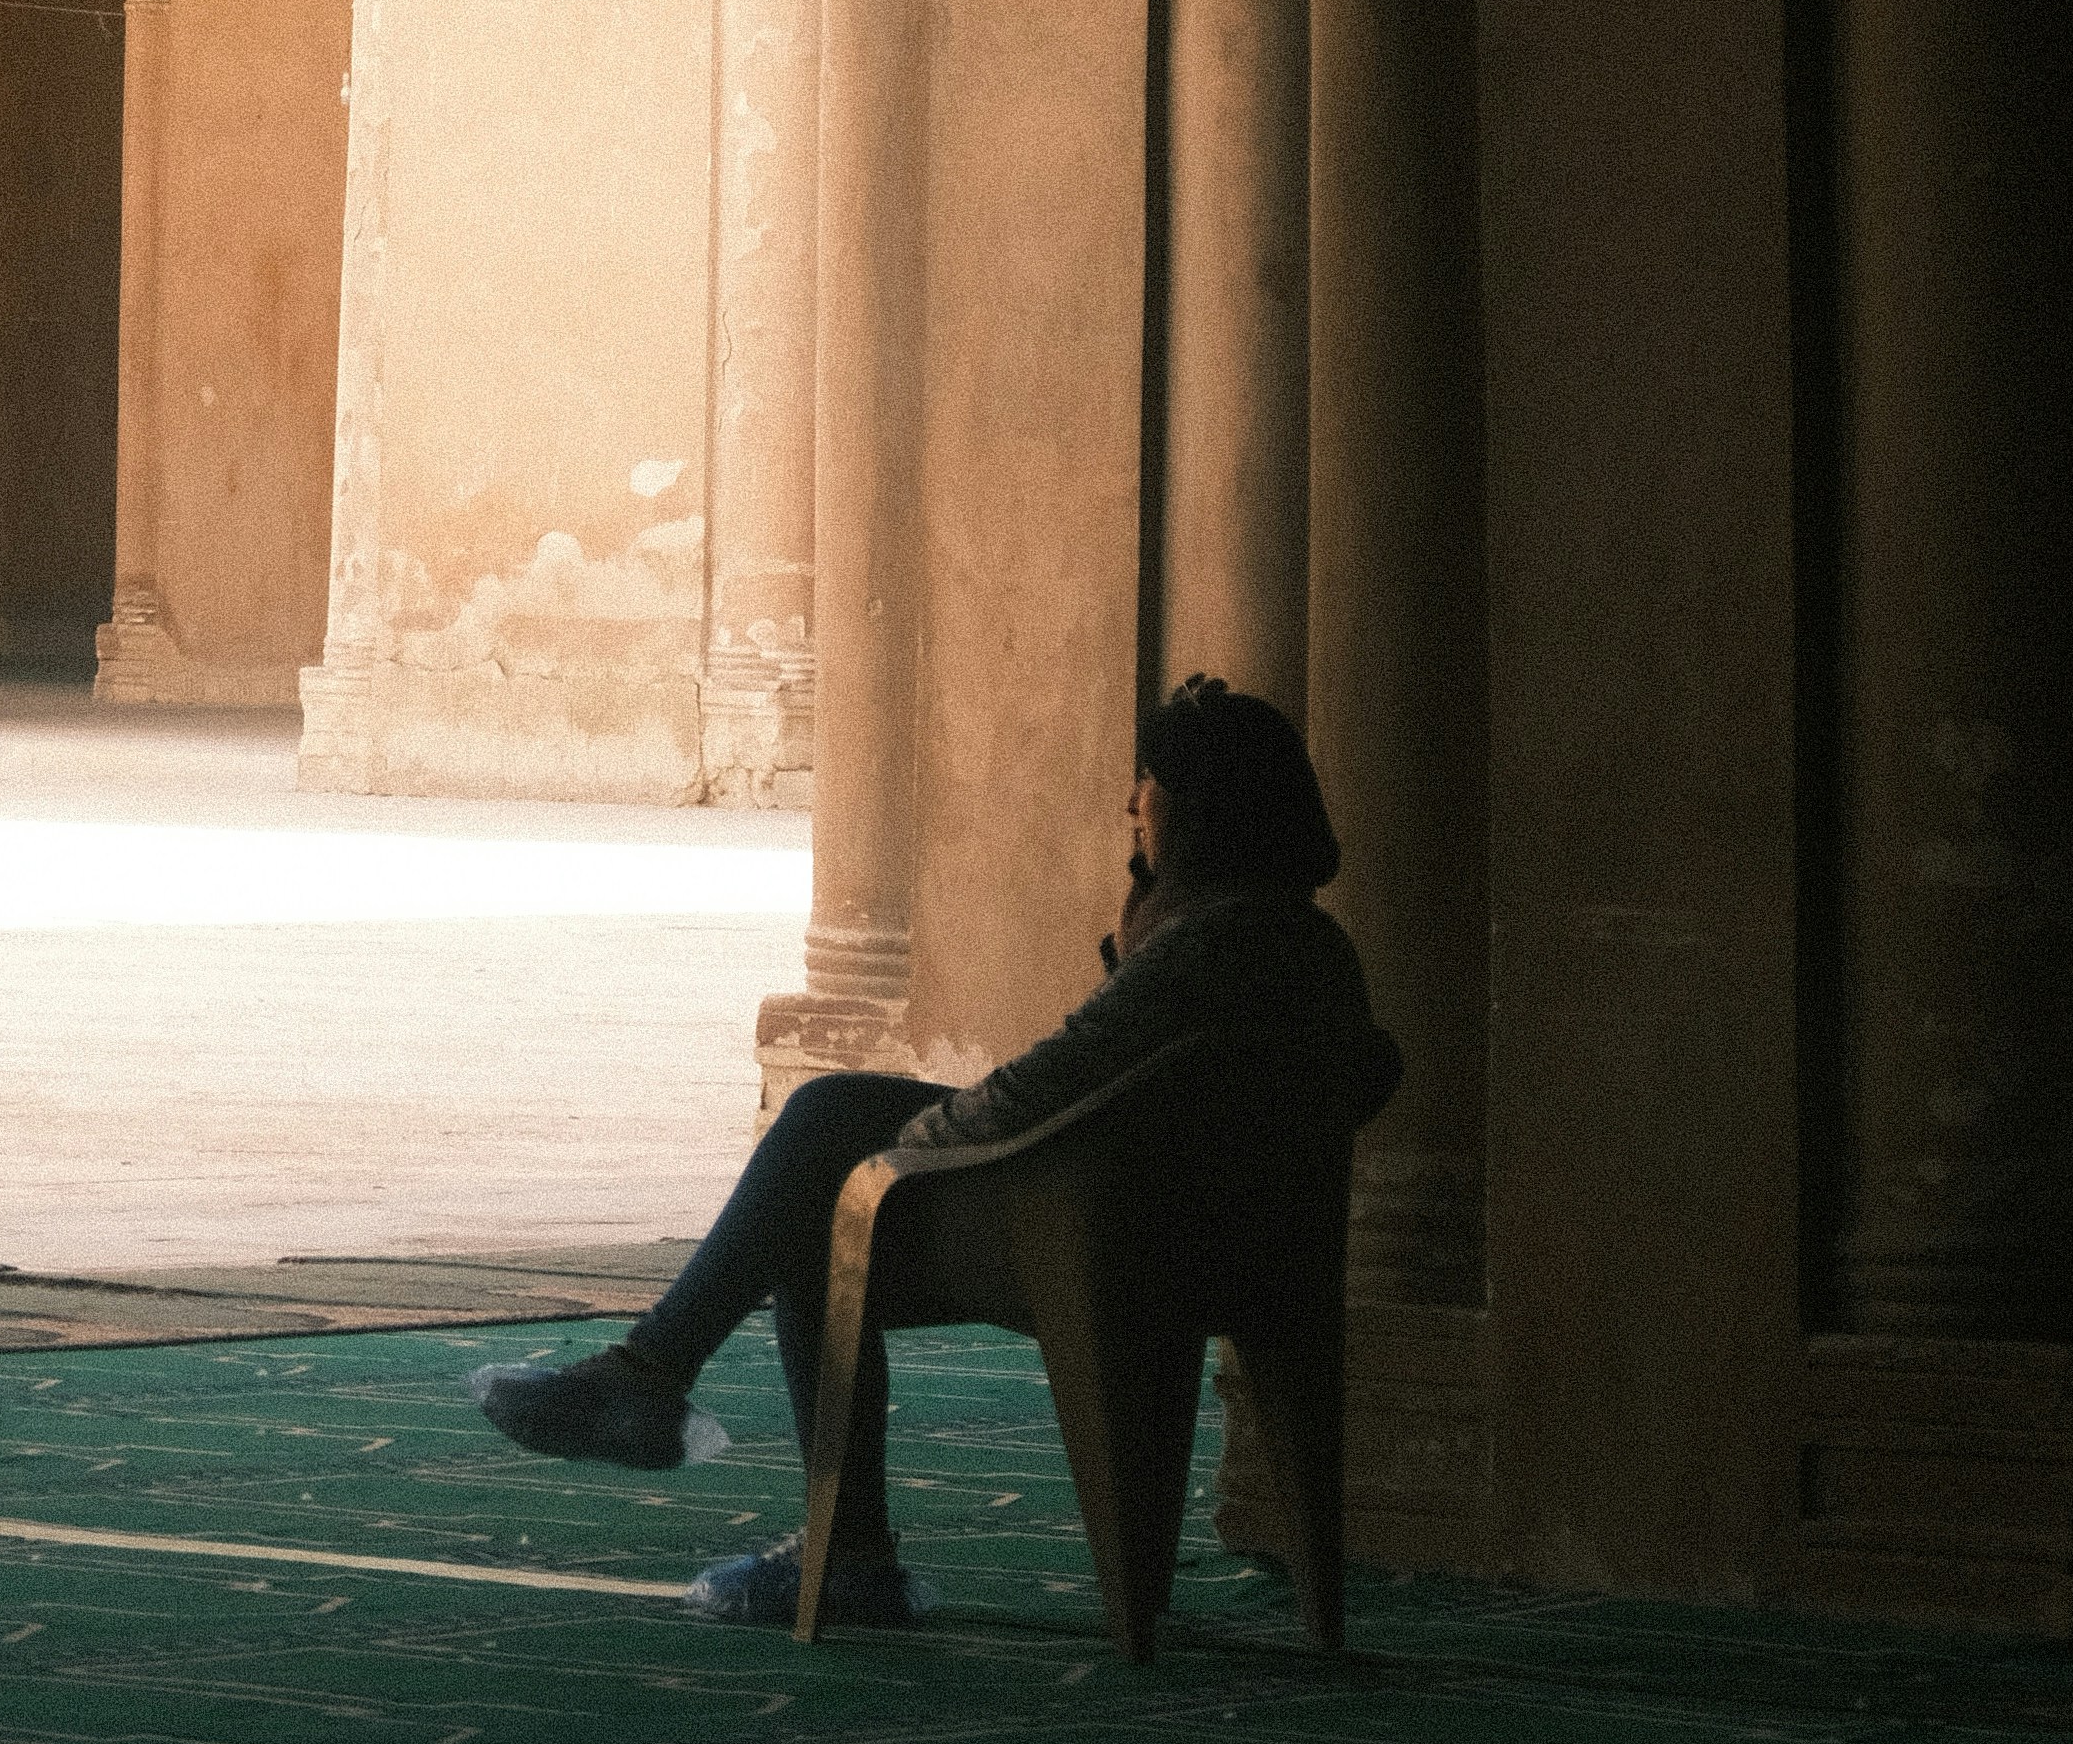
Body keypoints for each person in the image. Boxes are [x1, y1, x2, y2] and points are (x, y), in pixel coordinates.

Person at [475, 674, 1400, 1630]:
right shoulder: (1308, 946)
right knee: (827, 1152)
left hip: (1109, 1243)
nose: (1132, 804)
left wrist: (897, 1159)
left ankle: (746, 1461)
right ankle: (671, 1398)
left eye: (1151, 784)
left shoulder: (1206, 949)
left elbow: (1043, 1091)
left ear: (1202, 805)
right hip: (1233, 1245)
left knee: (824, 1171)